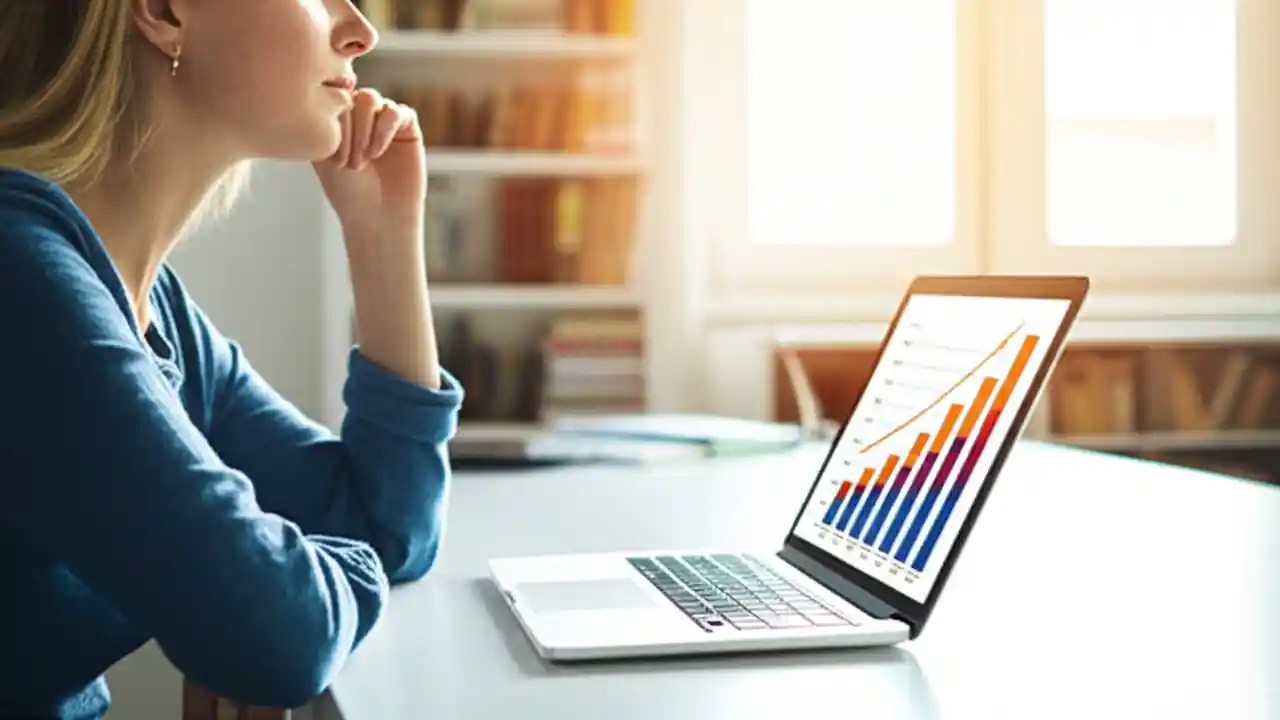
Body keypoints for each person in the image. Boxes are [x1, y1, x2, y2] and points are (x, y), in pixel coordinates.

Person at [0, 1, 464, 717]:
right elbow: (277, 635)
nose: (359, 29)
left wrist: (382, 240)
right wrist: (281, 583)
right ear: (162, 11)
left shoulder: (151, 309)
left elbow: (388, 527)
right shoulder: (19, 277)